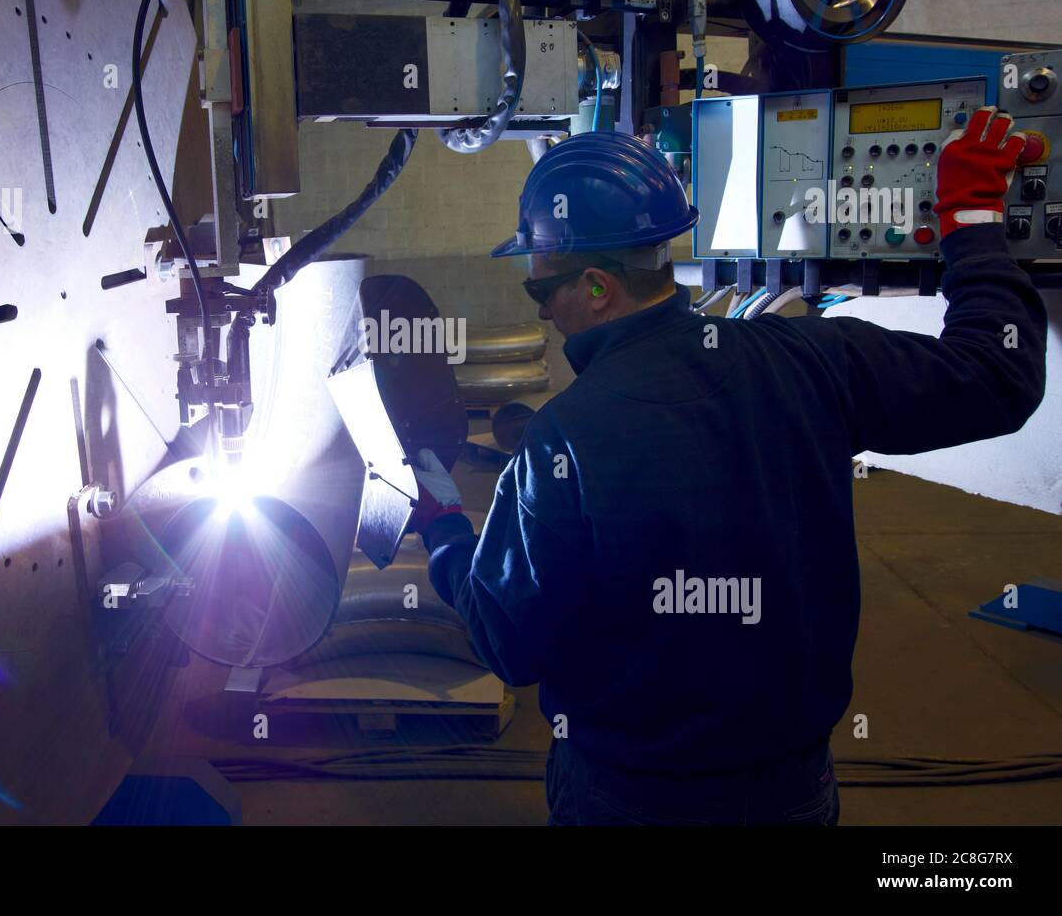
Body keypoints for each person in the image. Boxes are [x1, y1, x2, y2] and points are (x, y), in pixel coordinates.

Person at [409, 108, 1046, 825]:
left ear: (595, 286)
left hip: (628, 797)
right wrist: (972, 218)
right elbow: (998, 374)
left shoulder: (566, 437)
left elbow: (509, 640)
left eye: (541, 290)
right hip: (792, 791)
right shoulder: (806, 356)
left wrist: (446, 538)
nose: (546, 313)